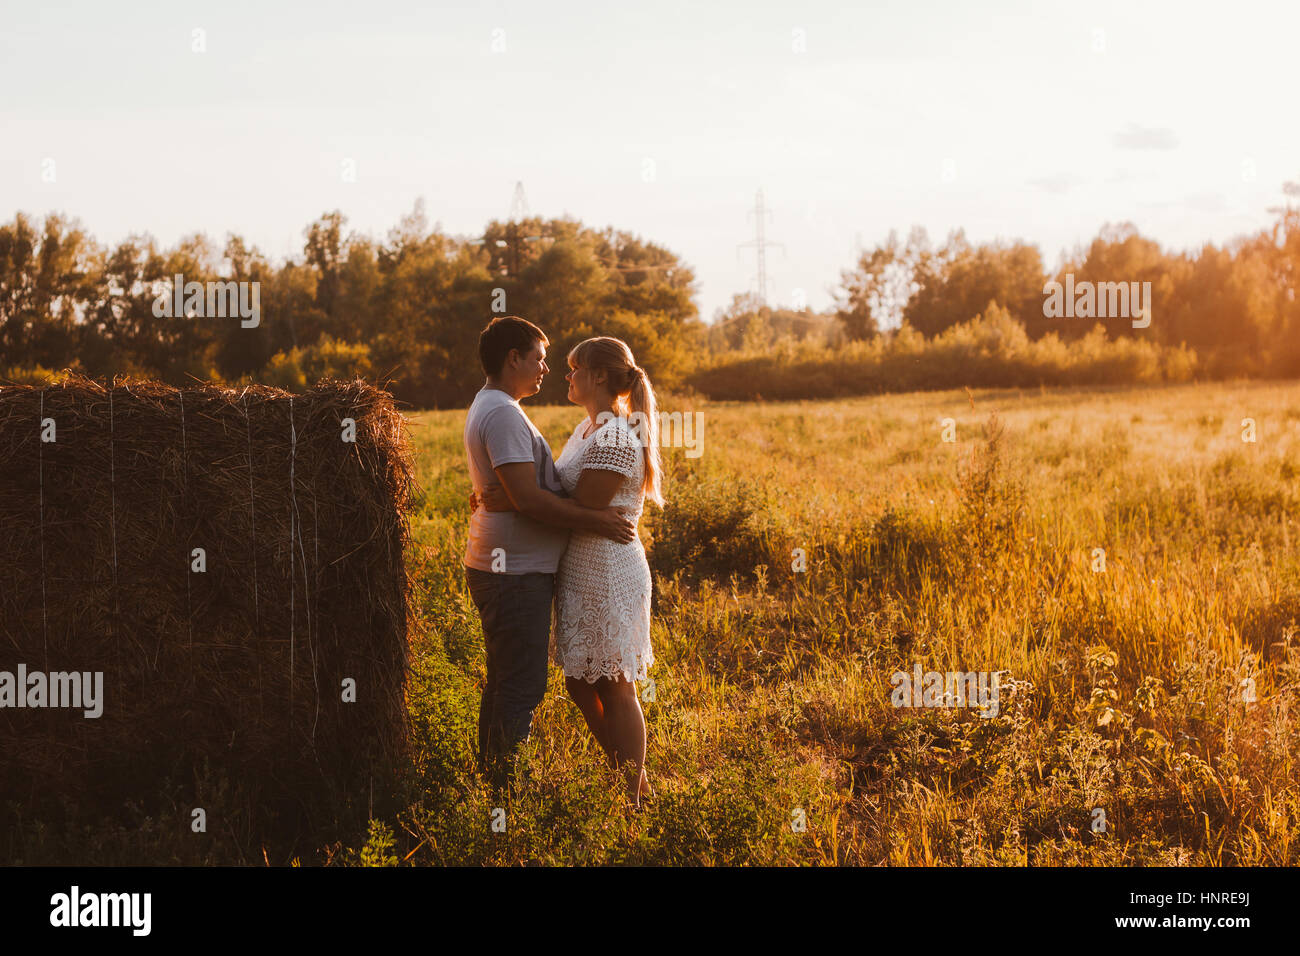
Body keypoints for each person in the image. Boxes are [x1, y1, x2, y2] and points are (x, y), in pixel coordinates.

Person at [477, 335, 663, 808]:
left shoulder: (617, 436)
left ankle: (632, 793)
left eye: (574, 368)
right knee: (579, 681)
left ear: (599, 376)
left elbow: (584, 505)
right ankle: (629, 776)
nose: (566, 376)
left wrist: (517, 498)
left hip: (608, 569)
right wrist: (511, 495)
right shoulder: (586, 430)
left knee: (616, 683)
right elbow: (557, 493)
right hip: (579, 567)